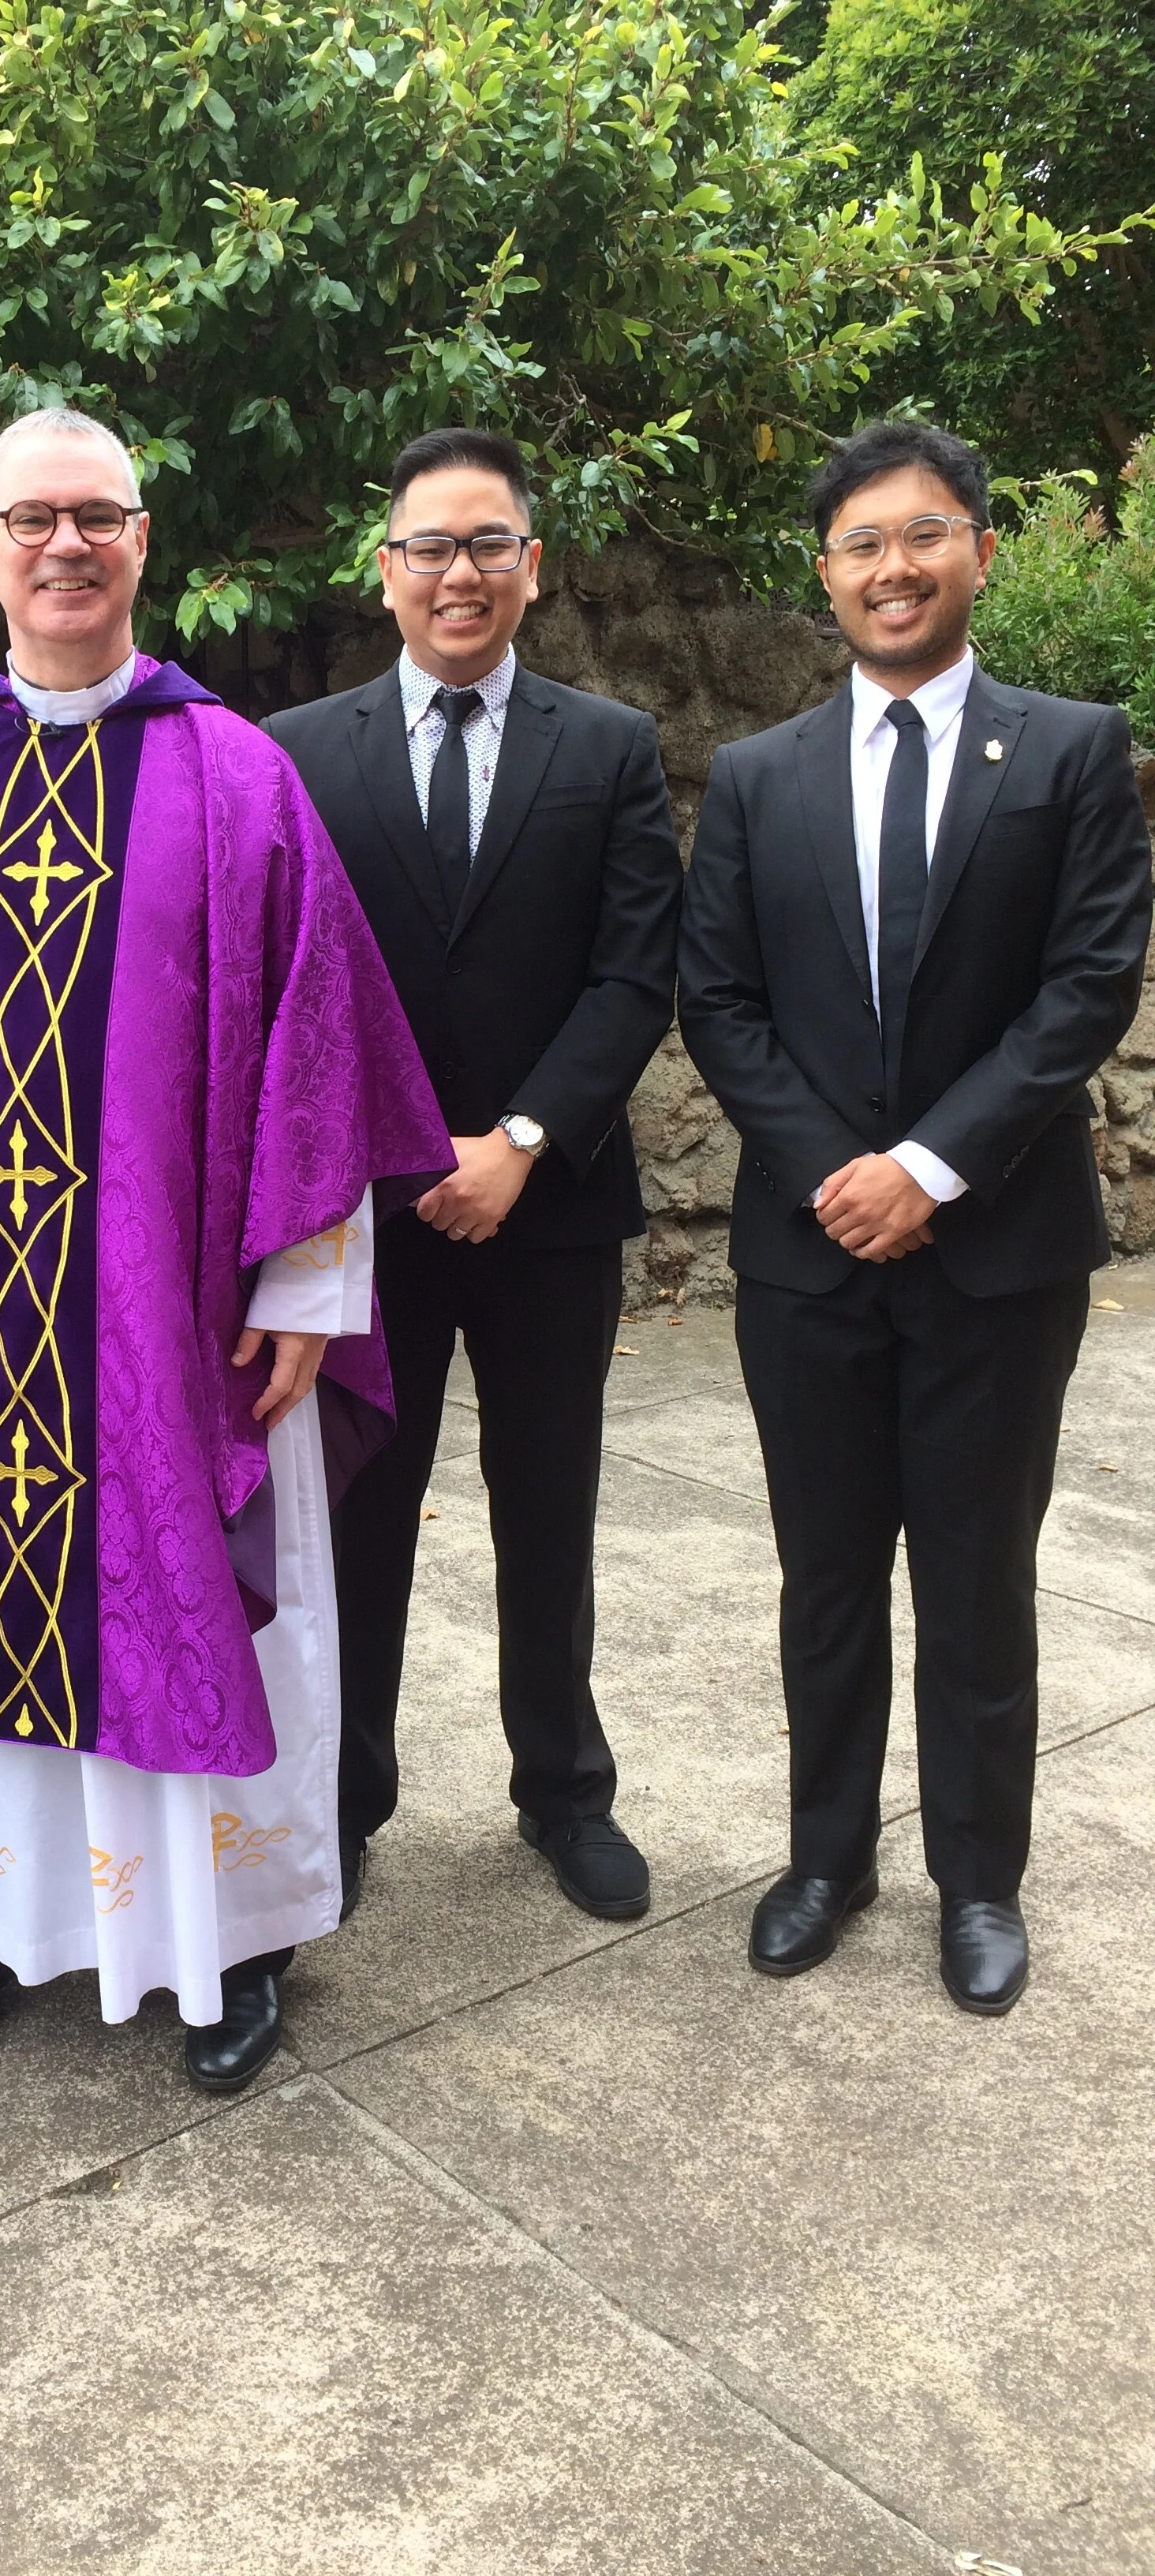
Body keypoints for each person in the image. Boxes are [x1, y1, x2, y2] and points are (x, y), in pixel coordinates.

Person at [0, 406, 450, 2090]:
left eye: (95, 516)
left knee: (207, 1616)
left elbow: (317, 1051)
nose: (64, 546)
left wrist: (314, 1293)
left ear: (139, 542)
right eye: (29, 518)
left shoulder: (241, 779)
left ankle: (232, 1949)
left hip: (185, 1331)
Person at [679, 420, 1153, 2014]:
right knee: (824, 1571)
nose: (895, 567)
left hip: (1003, 1251)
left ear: (980, 551)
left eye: (925, 534)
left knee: (975, 1573)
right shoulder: (756, 778)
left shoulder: (1074, 749)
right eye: (863, 544)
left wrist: (931, 1170)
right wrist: (844, 1177)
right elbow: (722, 1002)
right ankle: (826, 1857)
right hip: (805, 1259)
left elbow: (1086, 986)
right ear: (826, 576)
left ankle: (980, 1879)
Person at [265, 429, 682, 1923]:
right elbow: (288, 988)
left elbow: (640, 974)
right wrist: (391, 1152)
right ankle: (347, 1797)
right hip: (366, 1217)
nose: (460, 572)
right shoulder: (301, 755)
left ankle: (563, 1792)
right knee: (362, 1514)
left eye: (488, 544)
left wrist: (518, 1141)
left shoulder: (611, 747)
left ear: (531, 564)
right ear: (385, 575)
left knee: (548, 1501)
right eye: (431, 547)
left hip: (550, 1205)